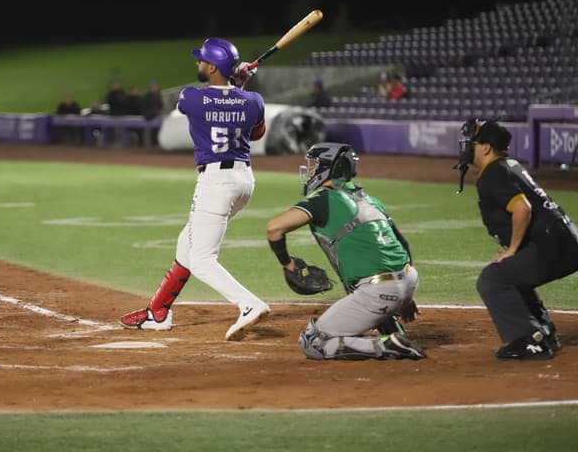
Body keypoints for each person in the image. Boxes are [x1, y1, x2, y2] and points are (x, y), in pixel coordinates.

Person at [120, 37, 270, 341]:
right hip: (244, 182)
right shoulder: (254, 100)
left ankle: (248, 304)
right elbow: (256, 132)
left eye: (202, 60)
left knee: (202, 258)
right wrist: (238, 87)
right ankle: (157, 312)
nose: (198, 63)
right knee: (185, 245)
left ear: (212, 67)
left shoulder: (191, 97)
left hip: (216, 182)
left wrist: (234, 83)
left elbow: (207, 104)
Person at [265, 142, 426, 360]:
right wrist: (406, 299)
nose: (311, 171)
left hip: (380, 291)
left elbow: (274, 228)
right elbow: (403, 244)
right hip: (408, 281)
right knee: (361, 287)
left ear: (328, 168)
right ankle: (392, 331)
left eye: (315, 165)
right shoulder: (370, 199)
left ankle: (388, 346)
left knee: (313, 342)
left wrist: (288, 264)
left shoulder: (324, 199)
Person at [453, 118, 578, 360]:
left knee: (492, 279)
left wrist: (512, 249)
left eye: (472, 142)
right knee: (510, 273)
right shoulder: (509, 165)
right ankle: (544, 333)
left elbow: (523, 208)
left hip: (553, 244)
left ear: (486, 147)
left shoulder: (493, 173)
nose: (466, 147)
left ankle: (531, 339)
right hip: (564, 239)